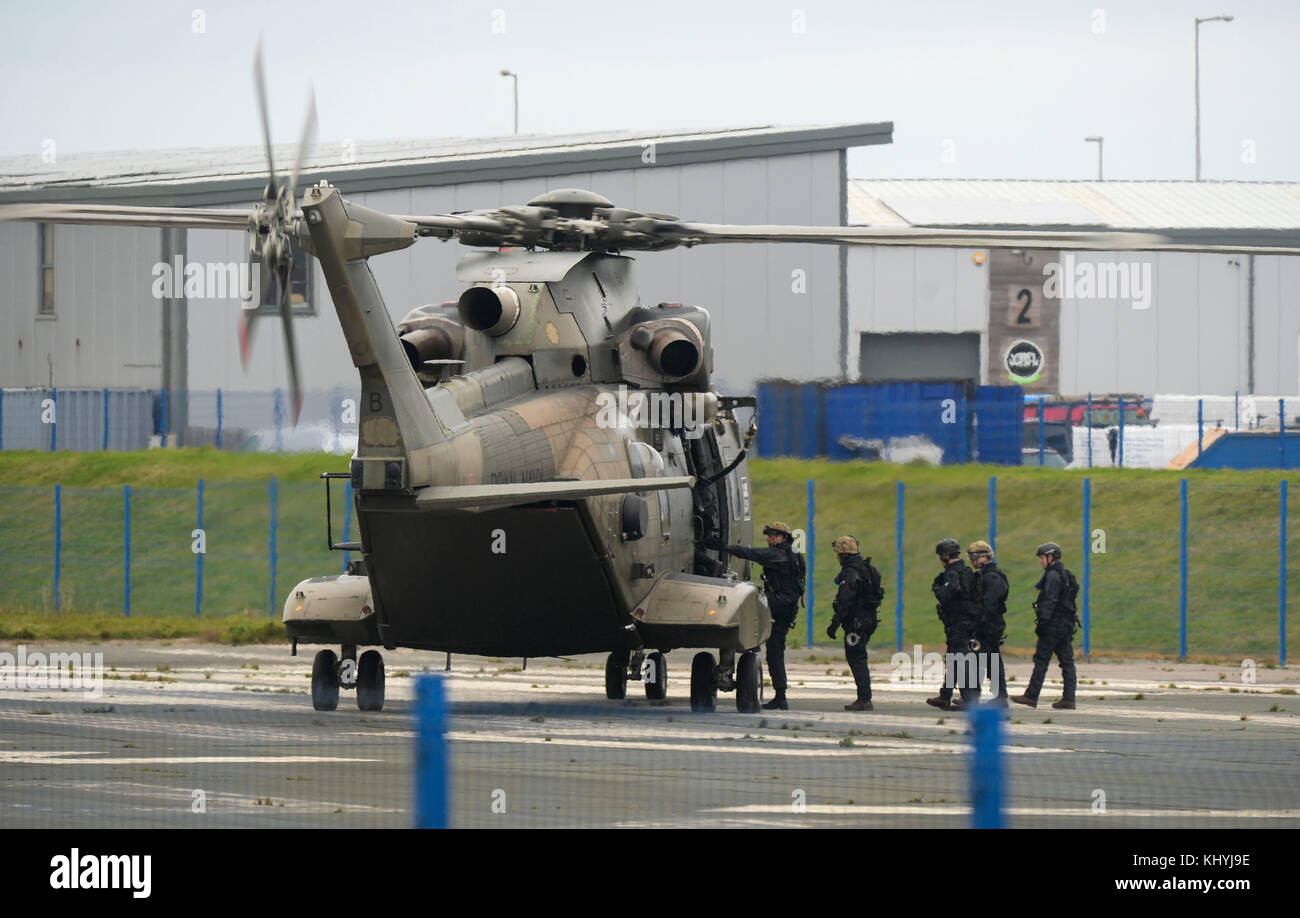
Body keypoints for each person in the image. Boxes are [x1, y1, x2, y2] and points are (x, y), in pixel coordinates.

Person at [715, 522, 805, 710]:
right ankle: (780, 696)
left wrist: (723, 547)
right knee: (775, 651)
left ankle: (747, 657)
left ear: (782, 538)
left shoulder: (777, 555)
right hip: (788, 607)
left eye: (772, 536)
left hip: (777, 605)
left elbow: (752, 554)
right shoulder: (795, 555)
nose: (769, 539)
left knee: (744, 623)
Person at [1012, 541, 1079, 710]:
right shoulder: (1066, 575)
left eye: (1042, 557)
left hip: (1053, 625)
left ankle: (1031, 696)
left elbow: (1049, 601)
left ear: (1050, 557)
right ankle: (1069, 698)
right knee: (1067, 662)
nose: (1040, 561)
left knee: (1041, 660)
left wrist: (1042, 623)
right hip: (1066, 625)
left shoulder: (1052, 576)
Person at [825, 536, 884, 712]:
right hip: (869, 619)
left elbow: (845, 601)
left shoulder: (851, 574)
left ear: (843, 556)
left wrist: (834, 624)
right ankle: (864, 697)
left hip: (856, 624)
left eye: (838, 555)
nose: (837, 559)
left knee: (857, 658)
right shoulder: (870, 569)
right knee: (859, 657)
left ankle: (864, 699)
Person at [927, 538, 981, 711]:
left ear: (944, 556)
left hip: (959, 622)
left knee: (960, 659)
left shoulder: (952, 573)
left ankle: (969, 699)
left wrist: (936, 587)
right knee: (953, 659)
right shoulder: (967, 571)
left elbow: (945, 595)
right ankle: (945, 695)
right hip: (967, 621)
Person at [967, 540, 1009, 707]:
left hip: (989, 626)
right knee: (986, 660)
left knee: (989, 660)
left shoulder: (992, 577)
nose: (972, 560)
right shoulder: (987, 575)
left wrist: (979, 626)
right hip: (988, 624)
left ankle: (998, 697)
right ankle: (985, 696)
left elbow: (989, 604)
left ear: (983, 557)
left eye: (974, 557)